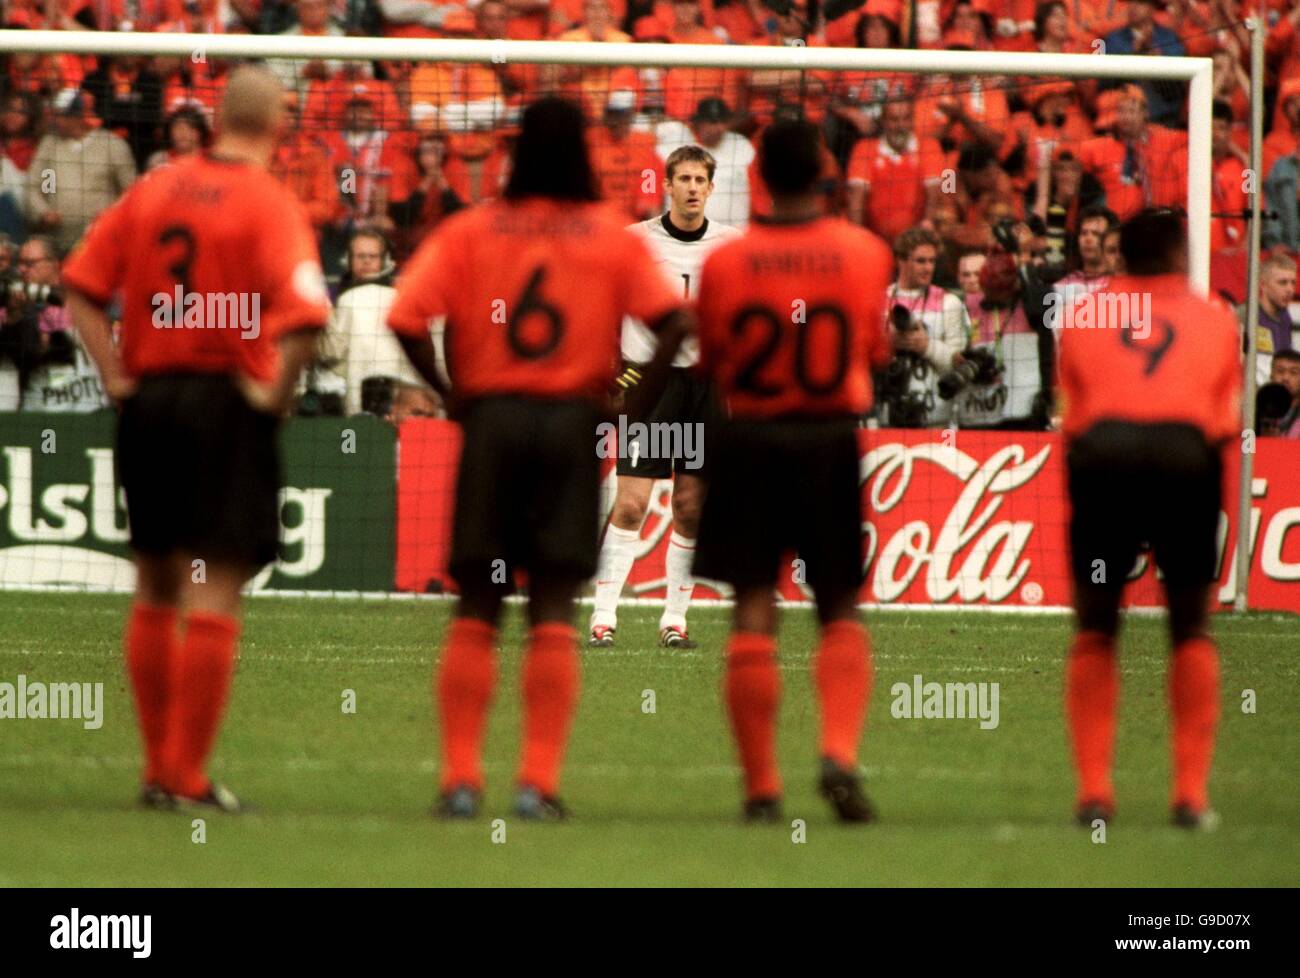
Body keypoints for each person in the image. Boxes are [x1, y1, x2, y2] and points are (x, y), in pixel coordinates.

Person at [386, 97, 690, 821]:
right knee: (553, 605)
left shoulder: (471, 229)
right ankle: (536, 785)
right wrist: (626, 402)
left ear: (518, 152)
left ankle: (460, 781)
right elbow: (674, 323)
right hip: (567, 429)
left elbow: (403, 316)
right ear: (583, 153)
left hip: (492, 425)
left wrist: (447, 392)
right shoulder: (610, 238)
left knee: (478, 606)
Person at [62, 66, 331, 813]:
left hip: (150, 399)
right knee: (214, 587)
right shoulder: (269, 204)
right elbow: (310, 314)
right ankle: (184, 772)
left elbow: (79, 285)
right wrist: (273, 393)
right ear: (278, 121)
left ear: (215, 119)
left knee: (152, 583)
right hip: (225, 404)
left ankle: (156, 771)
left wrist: (116, 376)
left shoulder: (154, 189)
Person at [693, 118, 894, 824]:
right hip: (827, 439)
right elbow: (876, 349)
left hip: (750, 440)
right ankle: (837, 751)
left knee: (753, 606)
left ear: (759, 178)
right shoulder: (865, 253)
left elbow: (713, 359)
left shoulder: (724, 263)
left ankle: (761, 788)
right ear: (822, 172)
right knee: (838, 603)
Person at [1057, 208, 1242, 830]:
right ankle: (1189, 795)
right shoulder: (1216, 320)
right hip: (1184, 460)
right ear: (1177, 256)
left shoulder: (1084, 316)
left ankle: (1094, 793)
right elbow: (1226, 423)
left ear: (1122, 257)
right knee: (1189, 627)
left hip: (1104, 458)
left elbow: (1072, 416)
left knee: (1097, 626)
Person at [589, 144, 741, 651]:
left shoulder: (730, 246)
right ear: (666, 186)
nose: (693, 188)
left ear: (711, 188)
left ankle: (674, 620)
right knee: (631, 503)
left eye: (701, 180)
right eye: (685, 179)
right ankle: (603, 617)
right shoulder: (634, 242)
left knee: (692, 507)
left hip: (703, 385)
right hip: (649, 384)